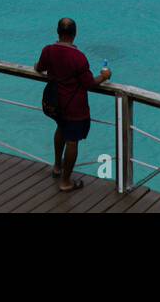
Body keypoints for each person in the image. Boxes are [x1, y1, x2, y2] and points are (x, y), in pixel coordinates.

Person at [34, 17, 111, 193]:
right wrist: (105, 76)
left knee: (61, 129)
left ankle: (56, 167)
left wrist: (36, 66)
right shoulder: (78, 57)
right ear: (75, 34)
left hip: (55, 103)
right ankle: (65, 182)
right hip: (74, 107)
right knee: (72, 142)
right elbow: (89, 83)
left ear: (58, 32)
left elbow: (39, 67)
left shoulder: (48, 50)